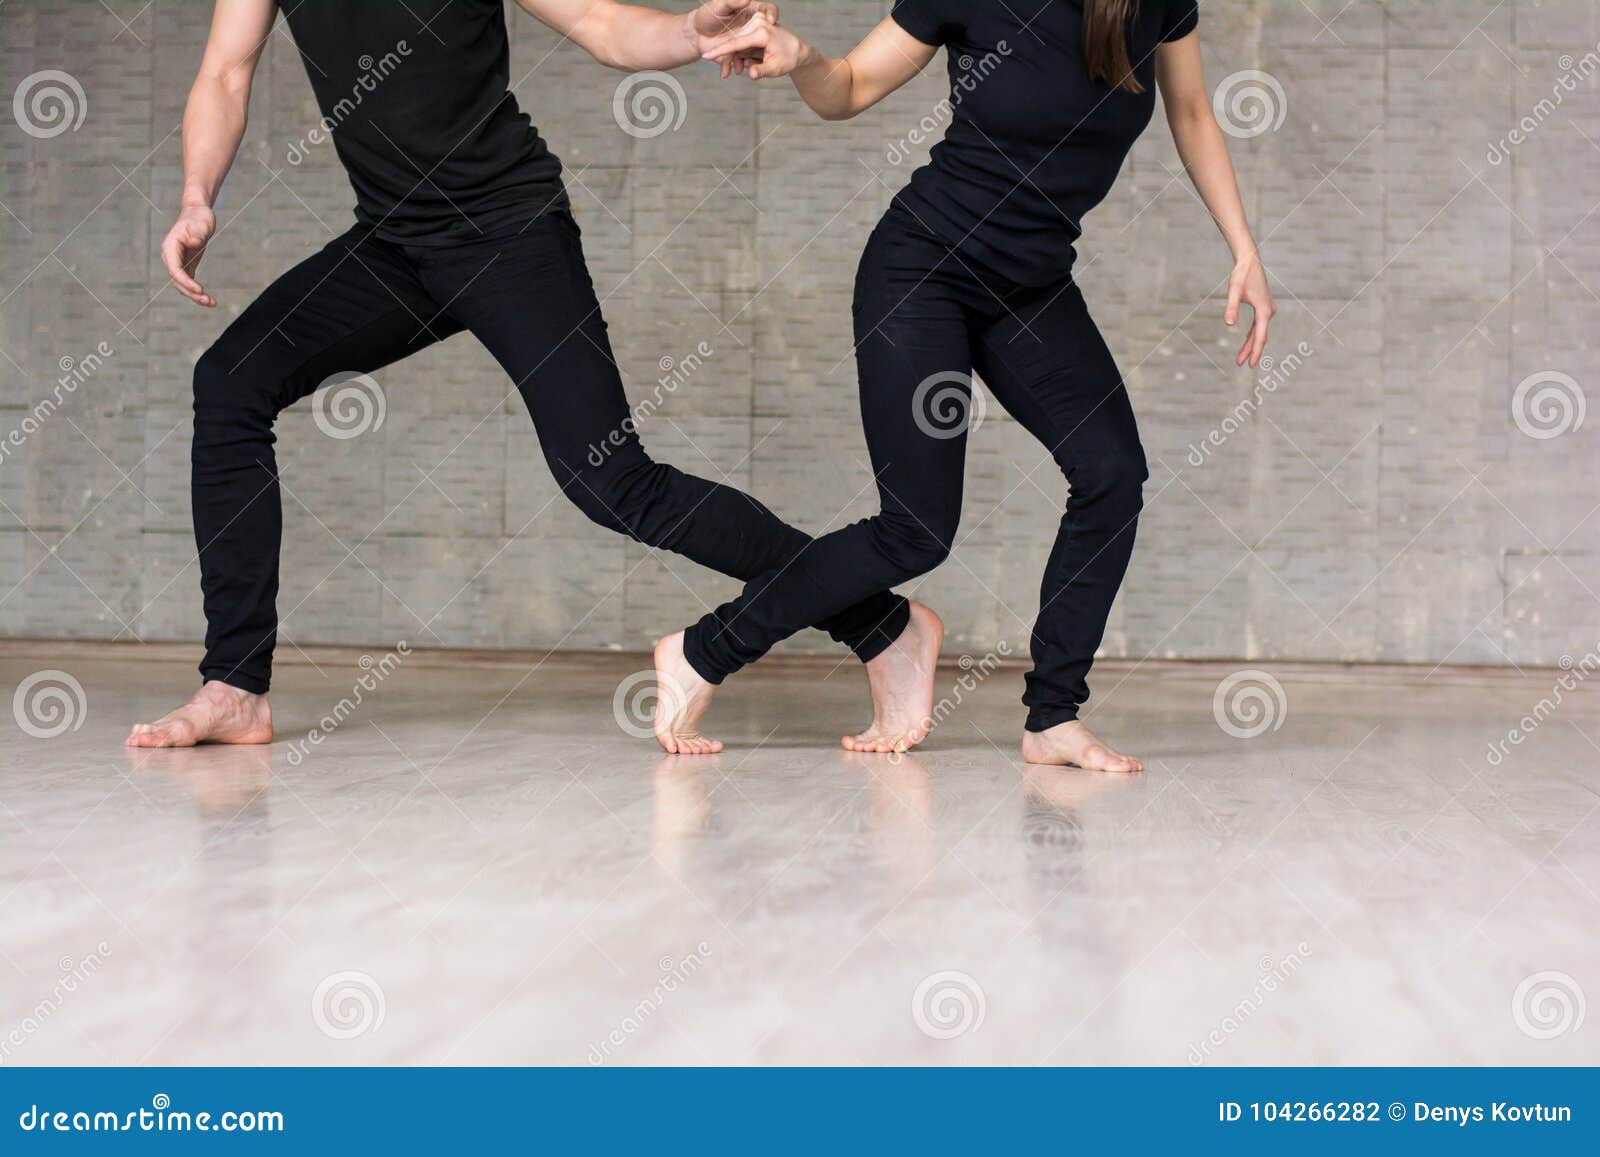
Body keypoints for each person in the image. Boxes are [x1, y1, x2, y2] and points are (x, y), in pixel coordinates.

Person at [127, 0, 938, 754]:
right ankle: (235, 685)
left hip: (509, 235)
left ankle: (879, 623)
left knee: (612, 480)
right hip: (394, 244)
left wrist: (693, 33)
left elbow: (595, 19)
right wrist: (198, 195)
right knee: (230, 380)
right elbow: (224, 72)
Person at [658, 0, 1276, 769]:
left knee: (1113, 474)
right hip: (923, 273)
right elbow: (846, 88)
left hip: (1031, 287)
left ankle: (1053, 716)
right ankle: (702, 649)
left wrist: (1243, 247)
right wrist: (803, 59)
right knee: (916, 529)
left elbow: (1190, 110)